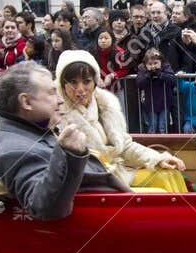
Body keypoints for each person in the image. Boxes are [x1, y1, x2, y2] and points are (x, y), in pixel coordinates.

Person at [0, 62, 128, 219]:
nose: (60, 100)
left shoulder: (26, 131)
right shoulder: (15, 150)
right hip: (112, 216)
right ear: (26, 102)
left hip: (115, 208)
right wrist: (70, 154)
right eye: (51, 92)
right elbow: (46, 209)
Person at [53, 49, 185, 189]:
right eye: (73, 82)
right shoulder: (56, 115)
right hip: (95, 187)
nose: (80, 89)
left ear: (95, 82)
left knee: (170, 174)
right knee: (160, 195)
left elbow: (125, 146)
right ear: (62, 83)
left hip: (119, 175)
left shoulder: (104, 104)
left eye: (86, 82)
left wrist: (157, 158)